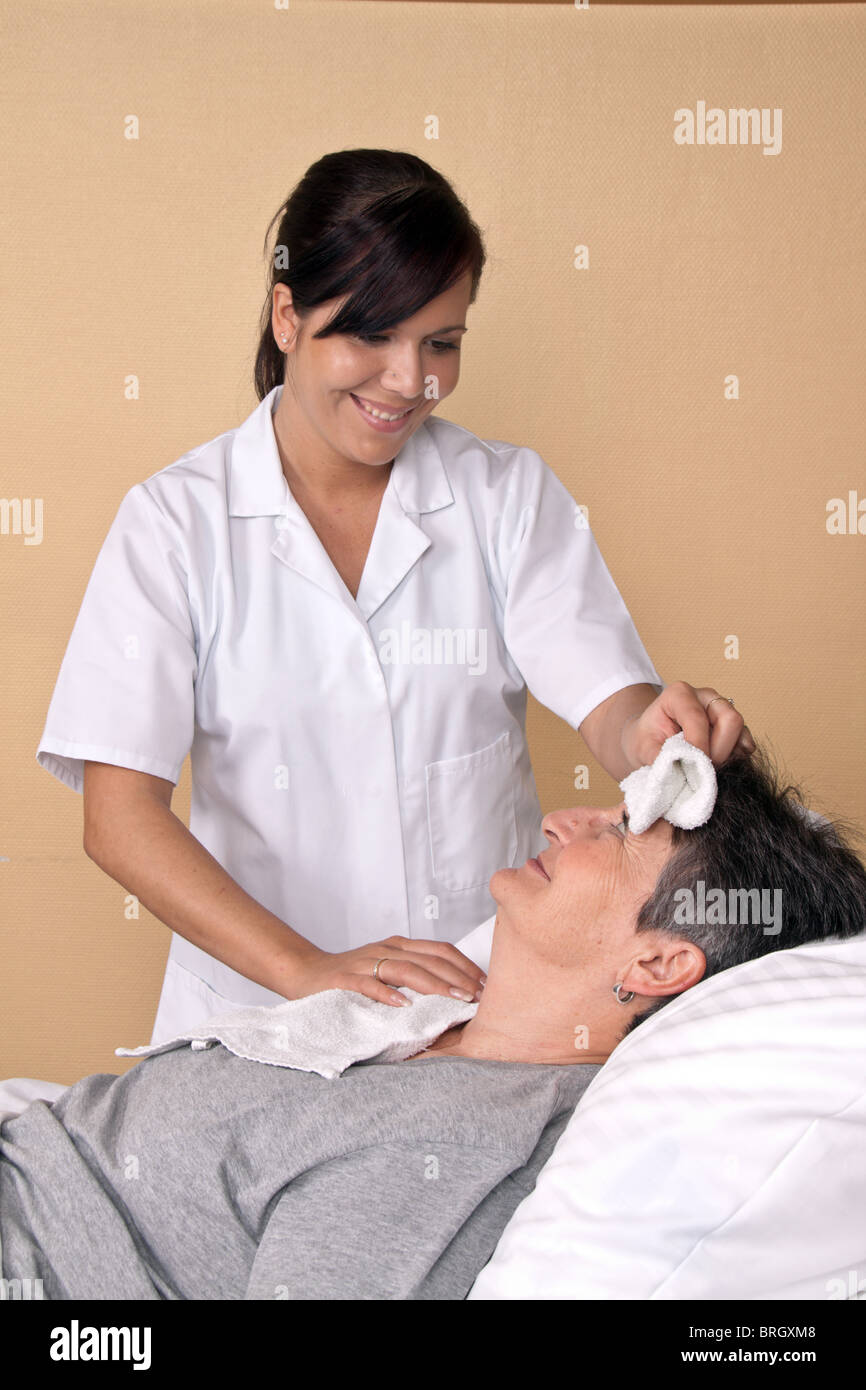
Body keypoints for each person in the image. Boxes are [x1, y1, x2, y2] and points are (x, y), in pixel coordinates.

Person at [35, 148, 755, 1045]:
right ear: (287, 314)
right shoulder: (174, 524)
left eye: (442, 343)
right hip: (258, 1017)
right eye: (371, 335)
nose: (410, 380)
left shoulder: (505, 496)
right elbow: (119, 818)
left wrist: (658, 734)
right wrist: (308, 971)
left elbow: (611, 707)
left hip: (474, 1018)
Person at [3, 745, 861, 1301]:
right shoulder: (433, 1017)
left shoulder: (477, 1143)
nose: (565, 821)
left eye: (619, 832)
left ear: (658, 964)